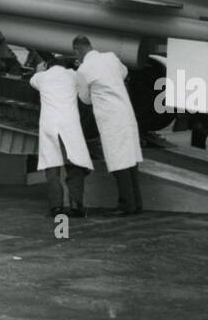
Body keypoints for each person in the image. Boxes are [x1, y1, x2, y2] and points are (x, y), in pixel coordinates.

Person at [73, 35, 144, 215]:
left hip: (110, 118)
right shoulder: (111, 57)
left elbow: (85, 99)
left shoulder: (83, 70)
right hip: (126, 113)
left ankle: (126, 205)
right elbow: (124, 73)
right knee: (131, 159)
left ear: (77, 51)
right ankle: (136, 203)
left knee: (119, 161)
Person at [29, 57, 93, 219]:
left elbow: (32, 81)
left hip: (49, 125)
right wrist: (80, 66)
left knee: (52, 166)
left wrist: (39, 70)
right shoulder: (73, 75)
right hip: (69, 125)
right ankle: (76, 205)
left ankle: (56, 207)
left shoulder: (42, 77)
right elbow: (85, 89)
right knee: (75, 164)